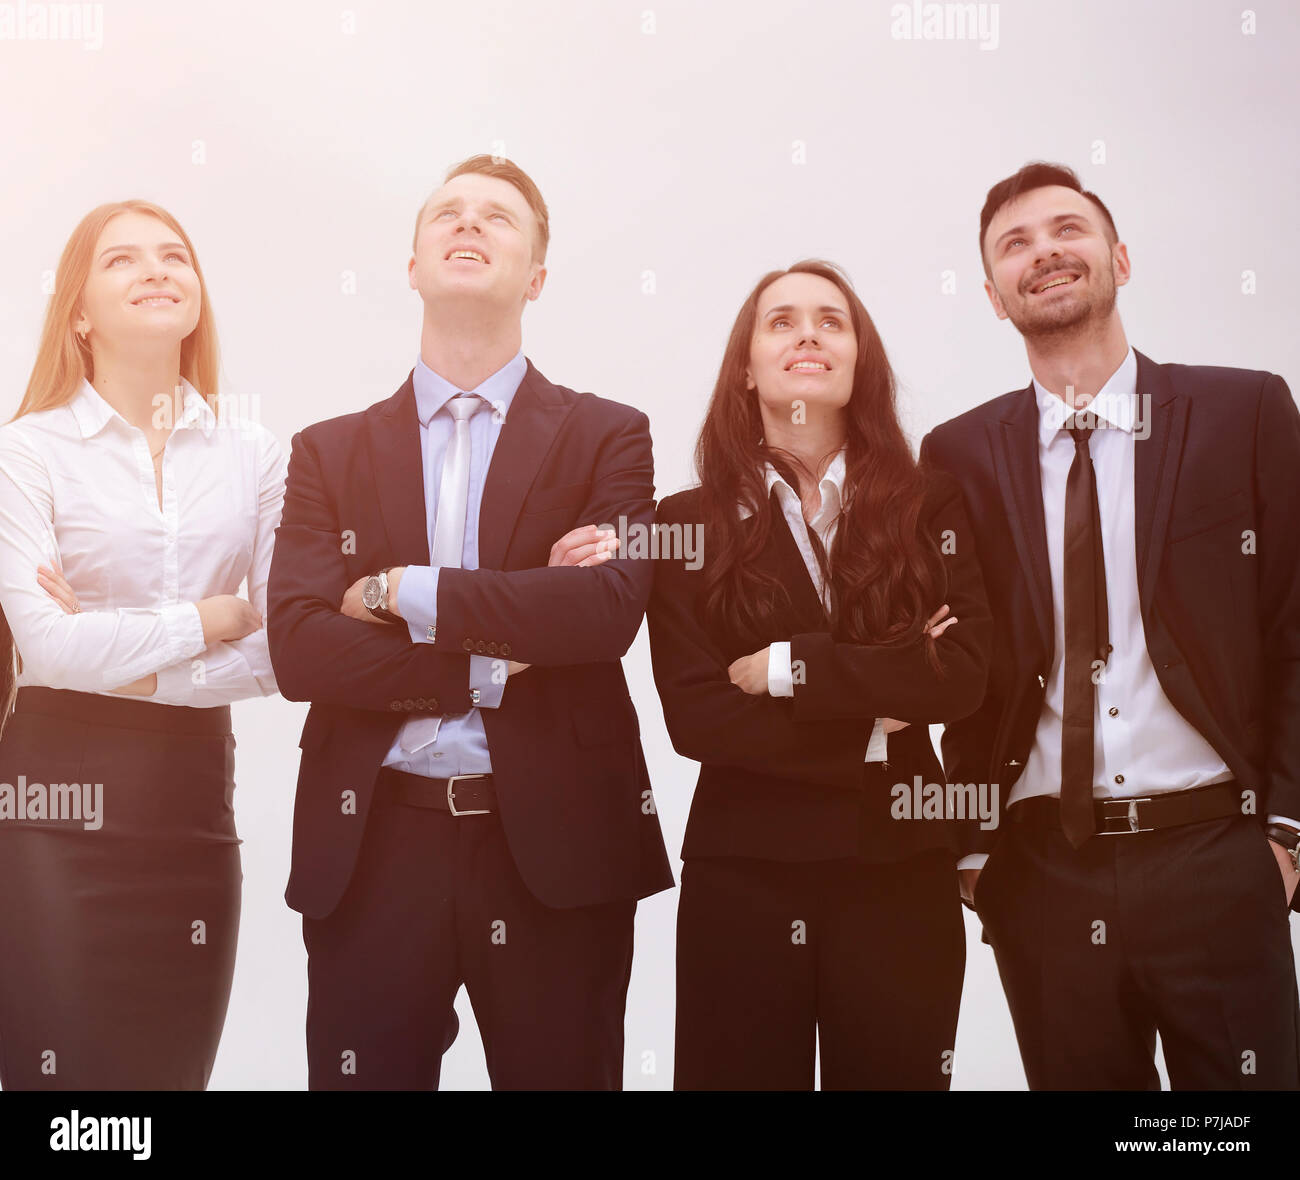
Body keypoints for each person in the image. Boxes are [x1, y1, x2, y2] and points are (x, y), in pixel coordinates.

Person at [267, 154, 674, 1091]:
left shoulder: (609, 434)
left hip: (556, 854)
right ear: (412, 265)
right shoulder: (328, 452)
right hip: (374, 850)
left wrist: (395, 590)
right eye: (447, 211)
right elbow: (299, 646)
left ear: (535, 277)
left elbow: (604, 614)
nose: (469, 222)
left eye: (497, 216)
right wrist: (493, 659)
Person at [920, 161, 1300, 1089]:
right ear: (993, 295)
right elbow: (962, 660)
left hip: (1218, 851)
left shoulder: (1244, 410)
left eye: (1067, 231)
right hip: (1043, 868)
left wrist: (1287, 833)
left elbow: (1294, 624)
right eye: (1014, 245)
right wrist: (974, 846)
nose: (1043, 252)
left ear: (1119, 258)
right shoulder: (957, 454)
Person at [647, 259, 992, 1089]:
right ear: (746, 367)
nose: (808, 333)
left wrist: (793, 669)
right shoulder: (682, 524)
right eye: (782, 321)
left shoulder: (930, 503)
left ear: (859, 359)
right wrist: (878, 715)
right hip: (746, 877)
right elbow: (699, 719)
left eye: (832, 321)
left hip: (901, 871)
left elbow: (958, 676)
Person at [0, 200, 285, 1090]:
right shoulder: (28, 453)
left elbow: (282, 653)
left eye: (174, 256)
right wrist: (206, 620)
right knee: (62, 1095)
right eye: (121, 260)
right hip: (52, 805)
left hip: (194, 806)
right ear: (78, 313)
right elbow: (45, 650)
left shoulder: (256, 454)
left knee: (167, 1082)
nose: (156, 269)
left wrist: (121, 666)